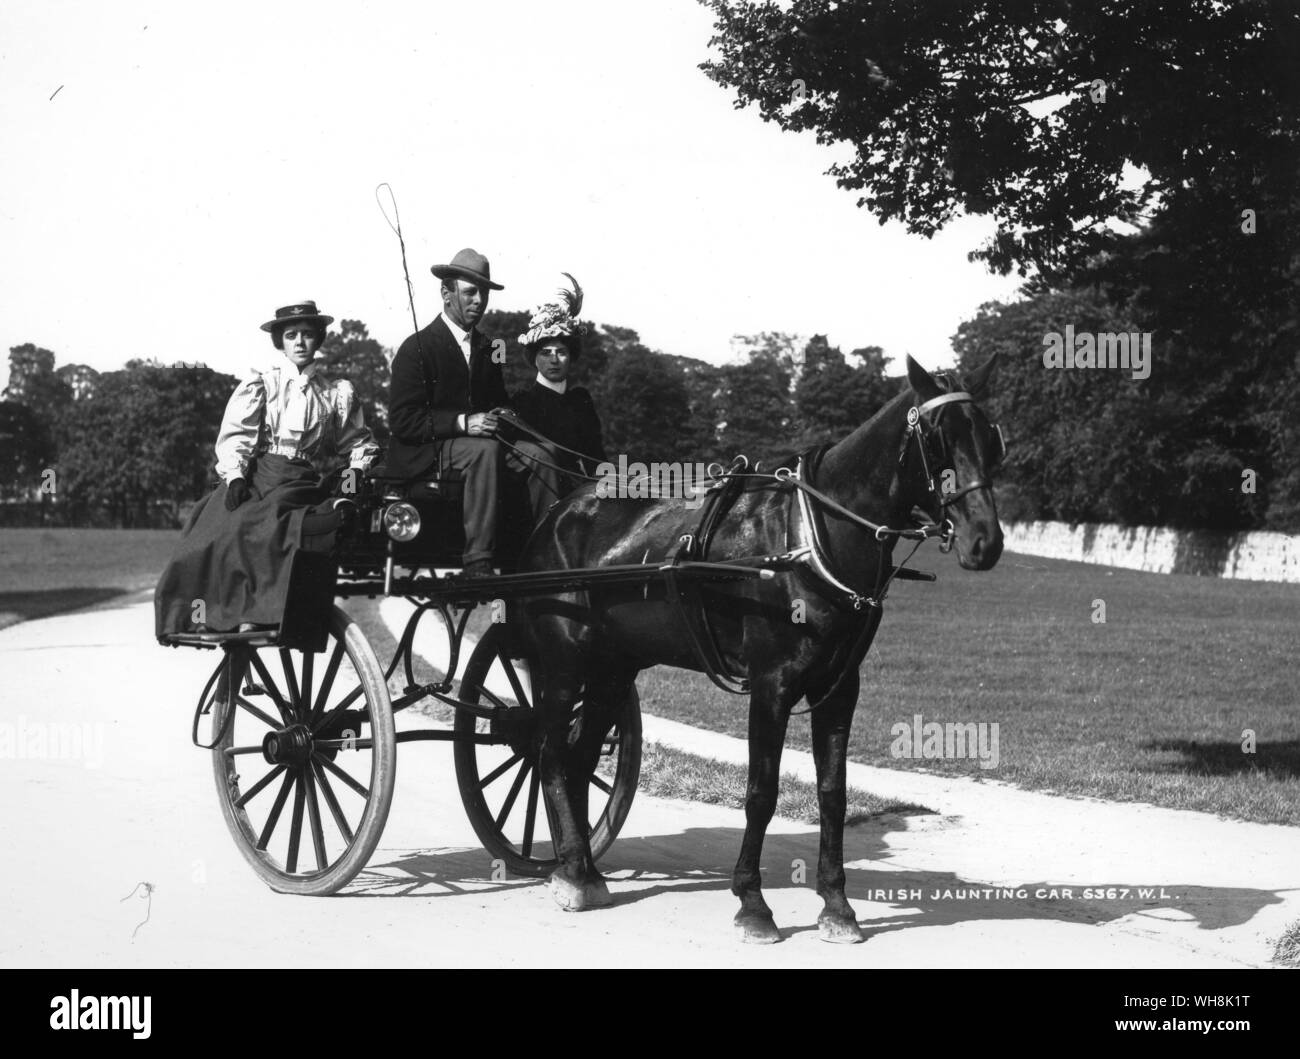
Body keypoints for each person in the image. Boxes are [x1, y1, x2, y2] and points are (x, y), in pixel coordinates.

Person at [155, 301, 379, 638]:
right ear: (281, 342)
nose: (300, 342)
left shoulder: (334, 393)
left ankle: (261, 614)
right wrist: (234, 477)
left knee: (274, 527)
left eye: (307, 334)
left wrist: (354, 473)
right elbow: (237, 436)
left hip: (300, 479)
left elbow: (358, 444)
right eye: (291, 335)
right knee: (218, 533)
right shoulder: (264, 384)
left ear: (318, 339)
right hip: (260, 474)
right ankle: (213, 615)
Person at [386, 248, 560, 576]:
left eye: (483, 293)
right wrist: (463, 422)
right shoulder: (415, 348)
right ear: (446, 293)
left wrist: (505, 413)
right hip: (427, 453)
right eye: (470, 292)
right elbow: (402, 420)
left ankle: (542, 554)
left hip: (480, 444)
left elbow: (497, 398)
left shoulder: (491, 348)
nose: (479, 301)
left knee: (543, 455)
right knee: (485, 450)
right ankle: (478, 560)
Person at [510, 273, 606, 496]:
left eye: (561, 352)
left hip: (582, 493)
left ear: (570, 356)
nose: (554, 360)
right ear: (534, 358)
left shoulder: (580, 400)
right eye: (546, 353)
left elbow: (596, 458)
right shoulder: (523, 403)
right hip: (540, 495)